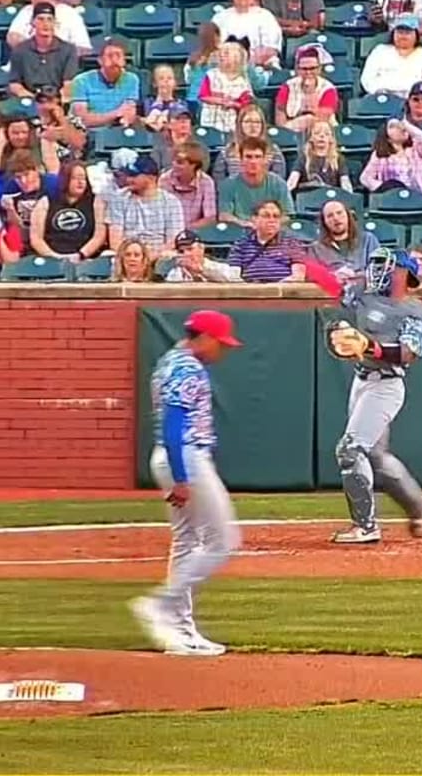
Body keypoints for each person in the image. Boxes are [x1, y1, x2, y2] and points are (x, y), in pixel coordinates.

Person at [304, 250, 422, 544]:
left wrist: (370, 346)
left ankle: (365, 526)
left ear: (403, 273)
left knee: (350, 449)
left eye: (386, 266)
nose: (377, 271)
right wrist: (304, 259)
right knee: (376, 456)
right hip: (362, 380)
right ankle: (419, 506)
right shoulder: (365, 297)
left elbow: (408, 353)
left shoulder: (415, 312)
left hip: (386, 386)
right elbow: (333, 287)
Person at [133, 310, 244, 657]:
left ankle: (181, 632)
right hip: (185, 457)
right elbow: (173, 424)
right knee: (222, 541)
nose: (222, 351)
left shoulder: (170, 360)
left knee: (186, 542)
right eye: (220, 343)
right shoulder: (188, 368)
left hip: (171, 456)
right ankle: (161, 604)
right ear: (205, 337)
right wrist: (182, 477)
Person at [212, 0, 285, 70]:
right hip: (225, 66)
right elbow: (214, 48)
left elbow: (271, 49)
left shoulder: (265, 16)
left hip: (261, 66)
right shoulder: (220, 18)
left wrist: (247, 64)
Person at [360, 15, 422, 98]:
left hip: (414, 98)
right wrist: (380, 91)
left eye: (407, 33)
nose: (403, 36)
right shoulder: (380, 51)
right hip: (381, 97)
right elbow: (367, 79)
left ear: (416, 34)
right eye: (400, 32)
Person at [359, 118, 422, 196]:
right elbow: (365, 178)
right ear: (387, 137)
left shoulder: (417, 149)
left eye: (399, 124)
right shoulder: (380, 155)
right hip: (393, 197)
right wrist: (385, 187)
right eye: (393, 126)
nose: (399, 127)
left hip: (421, 195)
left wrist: (407, 125)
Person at [274, 45, 340, 132]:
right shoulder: (287, 87)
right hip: (291, 129)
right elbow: (280, 120)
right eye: (304, 69)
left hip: (322, 131)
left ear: (319, 69)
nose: (308, 72)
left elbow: (321, 120)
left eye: (312, 68)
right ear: (297, 69)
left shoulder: (328, 89)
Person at [308, 199, 379, 278]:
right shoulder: (316, 248)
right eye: (330, 216)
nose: (336, 218)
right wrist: (334, 276)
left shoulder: (368, 240)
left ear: (348, 216)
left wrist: (355, 275)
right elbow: (313, 276)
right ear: (324, 221)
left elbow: (379, 271)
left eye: (339, 213)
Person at [288, 122, 352, 192]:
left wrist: (349, 195)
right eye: (317, 133)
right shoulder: (304, 158)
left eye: (326, 134)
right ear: (311, 138)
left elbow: (345, 182)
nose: (322, 136)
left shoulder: (338, 159)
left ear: (331, 138)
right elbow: (292, 181)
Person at [160, 230, 243, 283]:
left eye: (190, 249)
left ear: (201, 248)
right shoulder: (175, 273)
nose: (186, 254)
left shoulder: (218, 267)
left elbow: (235, 279)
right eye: (181, 251)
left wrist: (202, 271)